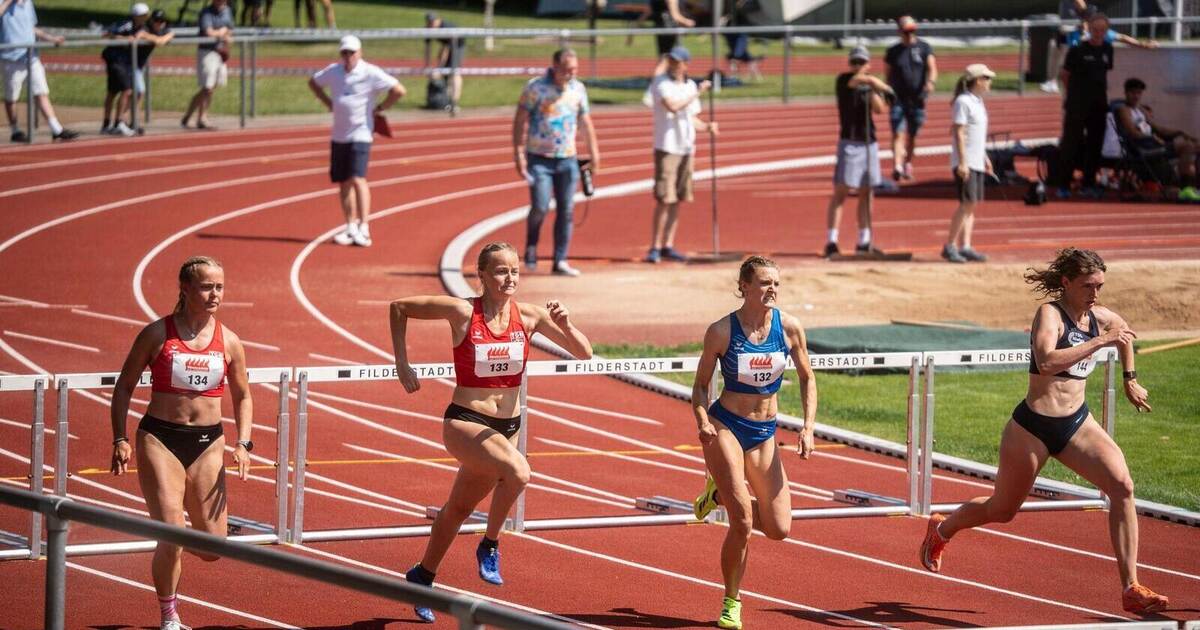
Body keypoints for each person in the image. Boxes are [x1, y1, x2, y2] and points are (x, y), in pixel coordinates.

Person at [920, 247, 1169, 615]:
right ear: (1066, 282)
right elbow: (1046, 361)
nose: (1095, 293)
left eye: (1099, 285)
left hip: (1076, 424)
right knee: (1002, 510)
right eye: (1087, 286)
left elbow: (1123, 333)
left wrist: (1130, 379)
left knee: (1122, 486)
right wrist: (1099, 342)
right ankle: (941, 530)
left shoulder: (1101, 316)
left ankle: (1130, 587)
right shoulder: (1049, 315)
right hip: (1032, 428)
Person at [390, 242, 592, 624]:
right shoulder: (462, 311)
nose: (509, 278)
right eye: (501, 271)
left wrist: (565, 325)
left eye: (514, 271)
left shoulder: (529, 316)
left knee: (458, 510)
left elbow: (585, 353)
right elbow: (399, 307)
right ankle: (490, 543)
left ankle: (422, 577)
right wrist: (403, 363)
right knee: (519, 472)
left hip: (507, 427)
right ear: (481, 275)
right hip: (466, 421)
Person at [110, 255, 253, 630]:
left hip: (208, 443)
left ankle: (173, 536)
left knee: (212, 548)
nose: (215, 294)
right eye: (207, 286)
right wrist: (120, 438)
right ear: (186, 289)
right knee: (171, 533)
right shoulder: (158, 334)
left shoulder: (230, 341)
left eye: (220, 287)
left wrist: (244, 444)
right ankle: (169, 615)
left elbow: (243, 395)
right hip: (160, 437)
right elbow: (124, 386)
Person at [691, 255, 816, 630]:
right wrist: (701, 421)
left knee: (779, 528)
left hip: (765, 433)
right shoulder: (721, 332)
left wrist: (807, 428)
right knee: (742, 521)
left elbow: (808, 378)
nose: (772, 289)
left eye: (776, 283)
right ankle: (732, 602)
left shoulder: (789, 327)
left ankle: (717, 496)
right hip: (726, 425)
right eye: (764, 282)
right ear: (744, 286)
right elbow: (699, 386)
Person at [308, 35, 406, 248]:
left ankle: (364, 226)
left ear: (359, 53)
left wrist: (380, 108)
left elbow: (399, 90)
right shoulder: (333, 71)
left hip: (361, 133)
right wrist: (328, 102)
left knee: (357, 178)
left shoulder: (370, 72)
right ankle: (350, 226)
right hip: (339, 135)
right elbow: (313, 83)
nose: (348, 57)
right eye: (344, 52)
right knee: (343, 181)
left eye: (352, 52)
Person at [512, 48, 601, 277]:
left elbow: (585, 122)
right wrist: (518, 152)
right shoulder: (535, 88)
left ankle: (560, 259)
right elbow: (520, 119)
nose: (571, 73)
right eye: (567, 69)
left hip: (567, 159)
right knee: (541, 206)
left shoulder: (578, 89)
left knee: (567, 210)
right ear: (555, 66)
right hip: (539, 159)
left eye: (575, 69)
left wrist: (595, 153)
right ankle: (532, 245)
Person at [646, 46, 717, 264]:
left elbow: (690, 117)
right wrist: (698, 92)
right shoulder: (661, 84)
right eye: (672, 61)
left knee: (678, 198)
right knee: (664, 199)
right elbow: (673, 107)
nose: (674, 65)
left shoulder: (689, 86)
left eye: (678, 61)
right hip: (667, 147)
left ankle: (668, 243)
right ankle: (655, 246)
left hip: (687, 147)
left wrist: (706, 127)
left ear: (686, 64)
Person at [823, 46, 892, 258]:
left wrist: (875, 89)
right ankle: (831, 241)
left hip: (869, 143)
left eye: (862, 63)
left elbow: (881, 109)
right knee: (842, 191)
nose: (858, 67)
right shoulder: (844, 80)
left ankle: (864, 240)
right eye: (854, 63)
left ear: (868, 64)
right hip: (850, 143)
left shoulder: (869, 87)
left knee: (867, 192)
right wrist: (875, 82)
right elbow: (856, 82)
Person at [1103, 77, 1200, 202]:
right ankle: (1186, 188)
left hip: (1153, 143)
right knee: (1187, 147)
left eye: (1139, 93)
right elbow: (1132, 132)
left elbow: (1159, 129)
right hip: (1141, 148)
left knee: (1195, 145)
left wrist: (1180, 133)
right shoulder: (1123, 110)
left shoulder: (1141, 110)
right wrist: (1152, 137)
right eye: (1133, 93)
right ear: (1126, 93)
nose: (1136, 96)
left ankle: (1191, 185)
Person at [1054, 11, 1115, 198]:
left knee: (1095, 145)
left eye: (1102, 30)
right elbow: (1064, 75)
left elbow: (1104, 74)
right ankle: (1063, 183)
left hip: (1098, 105)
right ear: (1089, 29)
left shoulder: (1108, 49)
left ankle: (1089, 183)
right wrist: (1072, 95)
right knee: (1071, 143)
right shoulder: (1077, 49)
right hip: (1077, 105)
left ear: (1106, 31)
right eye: (1095, 29)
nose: (1099, 33)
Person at [0, 0, 78, 142]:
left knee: (41, 92)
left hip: (31, 56)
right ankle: (15, 130)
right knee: (12, 98)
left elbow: (32, 28)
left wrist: (51, 38)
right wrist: (7, 3)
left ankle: (56, 128)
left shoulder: (28, 3)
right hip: (11, 58)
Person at [943, 64, 995, 264]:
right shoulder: (963, 102)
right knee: (967, 204)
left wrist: (985, 158)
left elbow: (977, 136)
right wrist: (963, 162)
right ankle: (950, 246)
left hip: (976, 161)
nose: (990, 82)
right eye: (987, 78)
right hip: (966, 162)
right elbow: (958, 132)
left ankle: (965, 246)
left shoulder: (977, 102)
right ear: (978, 80)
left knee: (971, 205)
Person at [101, 5, 174, 137]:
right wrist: (125, 39)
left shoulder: (149, 28)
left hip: (130, 64)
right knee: (123, 91)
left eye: (161, 21)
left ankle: (124, 122)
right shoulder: (129, 25)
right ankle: (117, 122)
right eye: (156, 20)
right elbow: (107, 34)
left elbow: (162, 38)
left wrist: (159, 37)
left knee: (131, 91)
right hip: (120, 61)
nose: (159, 23)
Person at [884, 15, 938, 183]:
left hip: (917, 99)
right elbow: (887, 74)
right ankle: (897, 166)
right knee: (897, 133)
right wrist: (887, 91)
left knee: (912, 135)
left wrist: (930, 82)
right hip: (898, 99)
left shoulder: (924, 48)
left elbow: (932, 68)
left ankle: (907, 163)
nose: (909, 34)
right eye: (906, 31)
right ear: (899, 31)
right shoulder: (893, 51)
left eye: (912, 31)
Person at [182, 0, 233, 130]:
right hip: (207, 52)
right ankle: (201, 118)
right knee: (207, 88)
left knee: (211, 88)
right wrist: (222, 32)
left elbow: (230, 29)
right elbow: (208, 32)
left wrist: (226, 41)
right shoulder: (206, 12)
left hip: (220, 52)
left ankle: (193, 116)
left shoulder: (227, 11)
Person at [424, 11, 465, 116]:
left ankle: (454, 102)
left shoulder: (446, 28)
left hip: (458, 45)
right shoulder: (428, 29)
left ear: (439, 20)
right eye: (429, 22)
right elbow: (427, 48)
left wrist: (440, 66)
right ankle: (446, 100)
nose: (431, 24)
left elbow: (449, 49)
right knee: (444, 73)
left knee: (454, 72)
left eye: (433, 22)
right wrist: (427, 65)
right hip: (446, 45)